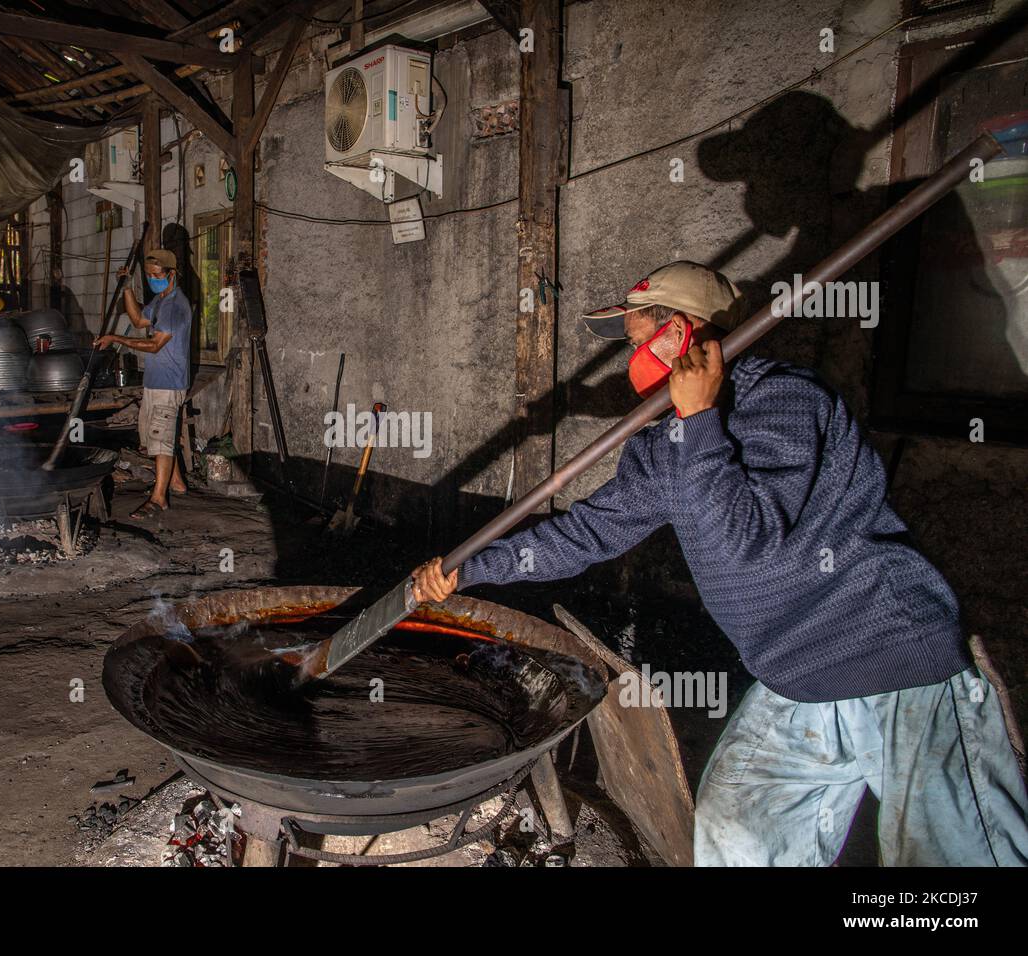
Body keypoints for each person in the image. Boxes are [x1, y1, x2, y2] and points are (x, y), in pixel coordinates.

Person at [411, 260, 1028, 866]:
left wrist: (700, 417)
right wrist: (471, 569)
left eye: (640, 338)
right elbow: (589, 532)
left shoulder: (783, 400)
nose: (632, 361)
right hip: (795, 678)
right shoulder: (664, 441)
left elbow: (750, 544)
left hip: (895, 664)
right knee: (738, 839)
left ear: (686, 332)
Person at [94, 248, 190, 517]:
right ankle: (176, 481)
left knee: (160, 439)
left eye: (156, 275)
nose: (152, 279)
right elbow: (138, 320)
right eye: (148, 275)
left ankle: (159, 498)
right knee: (155, 436)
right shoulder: (160, 300)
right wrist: (126, 288)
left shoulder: (174, 306)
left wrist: (115, 339)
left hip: (168, 384)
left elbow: (154, 344)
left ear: (172, 274)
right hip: (155, 382)